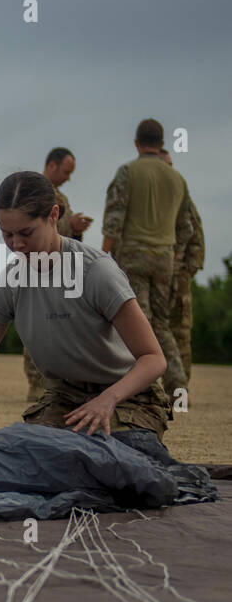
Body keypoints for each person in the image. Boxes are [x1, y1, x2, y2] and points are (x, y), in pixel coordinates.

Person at [0, 171, 170, 442]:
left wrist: (107, 400)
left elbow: (153, 359)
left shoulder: (96, 271)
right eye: (7, 234)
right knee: (33, 453)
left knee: (107, 457)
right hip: (64, 397)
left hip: (127, 398)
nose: (16, 245)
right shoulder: (12, 280)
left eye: (26, 233)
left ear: (53, 216)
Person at [101, 119, 193, 395]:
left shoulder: (127, 172)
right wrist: (172, 255)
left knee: (136, 322)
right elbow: (186, 228)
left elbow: (114, 221)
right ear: (162, 143)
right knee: (161, 322)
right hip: (165, 258)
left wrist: (103, 257)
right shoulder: (177, 179)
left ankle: (140, 384)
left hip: (133, 256)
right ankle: (177, 381)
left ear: (137, 142)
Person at [23, 147, 93, 400]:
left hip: (58, 266)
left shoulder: (59, 196)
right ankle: (37, 384)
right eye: (66, 171)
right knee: (37, 320)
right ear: (51, 165)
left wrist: (75, 230)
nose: (68, 177)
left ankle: (55, 381)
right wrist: (68, 224)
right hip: (35, 264)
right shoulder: (31, 190)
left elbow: (59, 234)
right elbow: (32, 225)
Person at [160, 148, 204, 382]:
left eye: (170, 164)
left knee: (179, 331)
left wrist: (187, 268)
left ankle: (179, 387)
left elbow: (195, 234)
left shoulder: (180, 197)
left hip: (177, 274)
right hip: (158, 271)